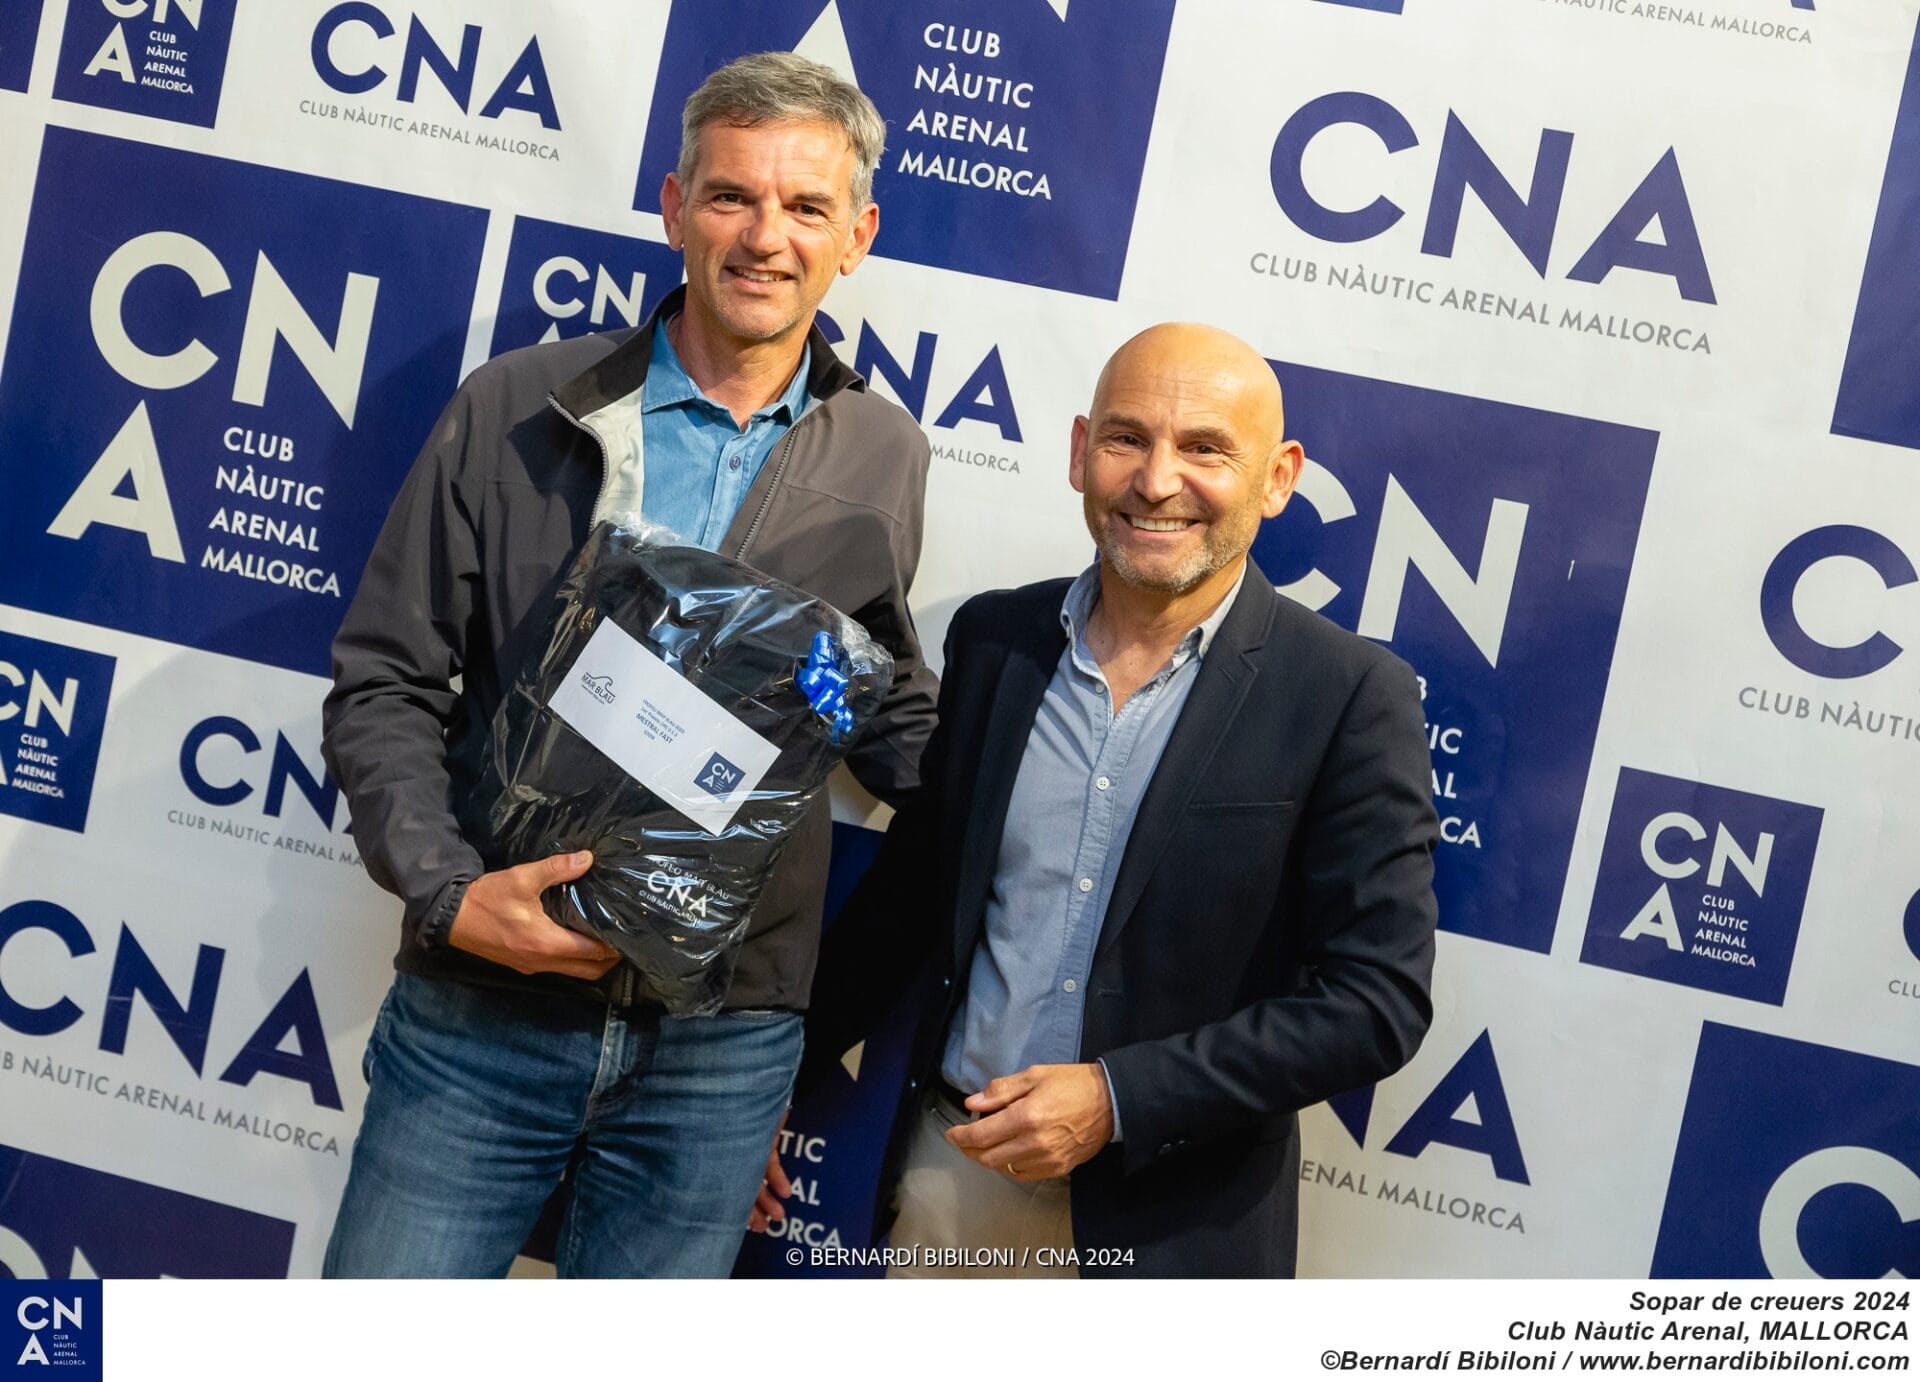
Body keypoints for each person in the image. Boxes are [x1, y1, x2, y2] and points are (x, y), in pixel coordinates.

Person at [320, 52, 937, 1278]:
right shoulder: (516, 406)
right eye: (732, 195)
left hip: (719, 1052)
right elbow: (386, 679)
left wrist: (1035, 733)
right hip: (483, 1006)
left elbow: (866, 694)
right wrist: (448, 894)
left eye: (806, 206)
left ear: (857, 236)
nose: (765, 236)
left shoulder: (884, 450)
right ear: (674, 207)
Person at [797, 322, 1440, 1278]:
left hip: (1179, 1231)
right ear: (1078, 452)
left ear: (1278, 479)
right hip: (952, 1185)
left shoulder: (1347, 696)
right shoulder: (996, 641)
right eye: (1127, 438)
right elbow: (913, 896)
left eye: (1206, 449)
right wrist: (770, 1089)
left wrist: (1117, 1098)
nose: (1156, 480)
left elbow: (1375, 1002)